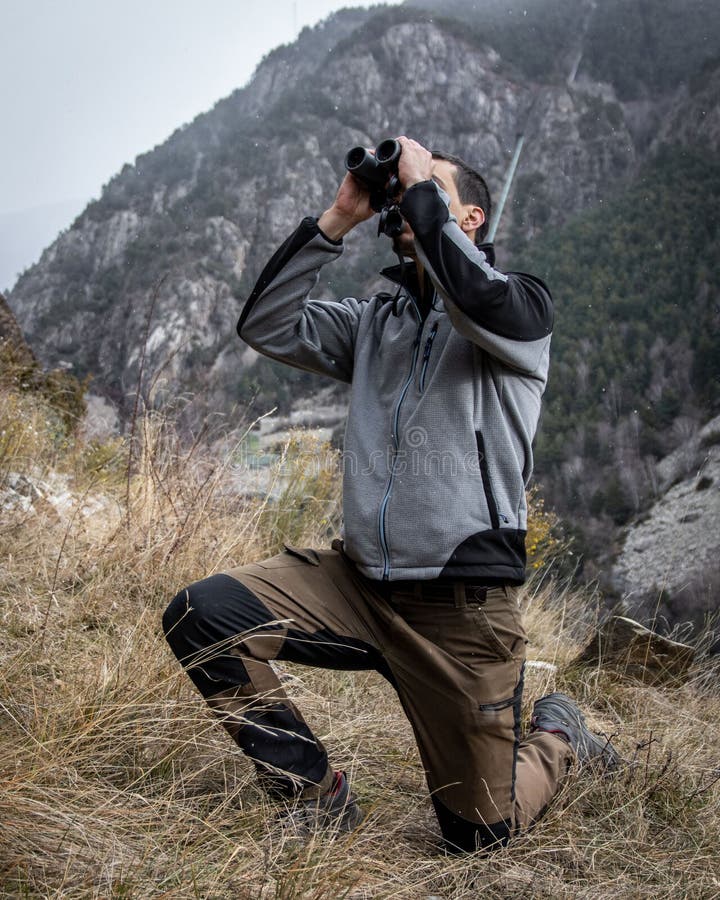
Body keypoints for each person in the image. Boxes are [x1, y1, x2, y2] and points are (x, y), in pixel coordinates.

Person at [163, 136, 618, 852]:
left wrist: (419, 183)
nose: (405, 198)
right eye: (402, 190)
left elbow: (473, 298)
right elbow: (266, 326)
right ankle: (315, 798)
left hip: (462, 615)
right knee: (203, 615)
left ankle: (561, 733)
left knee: (481, 837)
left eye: (426, 190)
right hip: (359, 587)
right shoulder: (378, 321)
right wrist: (340, 216)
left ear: (468, 218)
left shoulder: (519, 311)